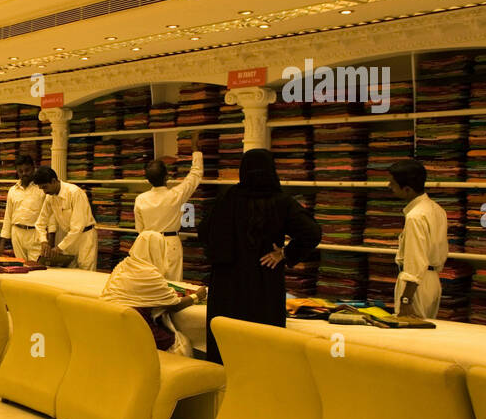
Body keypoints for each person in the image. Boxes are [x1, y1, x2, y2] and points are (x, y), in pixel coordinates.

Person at [197, 149, 322, 364]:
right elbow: (312, 232)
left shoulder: (227, 199)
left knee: (227, 349)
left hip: (227, 286)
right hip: (263, 284)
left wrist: (225, 251)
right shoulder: (281, 202)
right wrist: (284, 253)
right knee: (263, 349)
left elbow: (204, 233)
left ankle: (225, 393)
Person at [101, 231, 207, 353]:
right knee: (181, 344)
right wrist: (197, 296)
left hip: (111, 323)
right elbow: (174, 305)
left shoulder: (123, 266)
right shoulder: (150, 275)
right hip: (137, 328)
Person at [388, 158, 448, 319]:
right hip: (432, 280)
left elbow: (415, 262)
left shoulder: (415, 217)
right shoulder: (437, 209)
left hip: (415, 287)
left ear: (407, 189)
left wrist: (406, 300)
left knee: (410, 335)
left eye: (392, 183)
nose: (389, 187)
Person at [134, 145, 203, 280]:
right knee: (174, 284)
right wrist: (197, 152)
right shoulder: (176, 195)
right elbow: (195, 175)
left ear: (148, 179)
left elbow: (140, 228)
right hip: (171, 243)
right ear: (167, 176)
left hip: (149, 243)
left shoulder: (140, 199)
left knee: (152, 283)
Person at [33, 166, 97, 270]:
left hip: (85, 238)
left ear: (53, 181)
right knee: (69, 274)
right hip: (69, 239)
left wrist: (59, 248)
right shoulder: (50, 197)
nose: (44, 192)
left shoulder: (75, 193)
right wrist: (44, 241)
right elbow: (40, 223)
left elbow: (77, 227)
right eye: (41, 188)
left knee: (86, 273)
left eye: (45, 187)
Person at [0, 154, 44, 261]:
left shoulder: (42, 189)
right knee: (20, 268)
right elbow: (8, 217)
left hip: (36, 234)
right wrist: (2, 244)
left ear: (33, 169)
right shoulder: (12, 190)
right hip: (17, 233)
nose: (24, 174)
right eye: (20, 171)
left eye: (27, 170)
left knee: (36, 269)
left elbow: (49, 217)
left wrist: (48, 241)